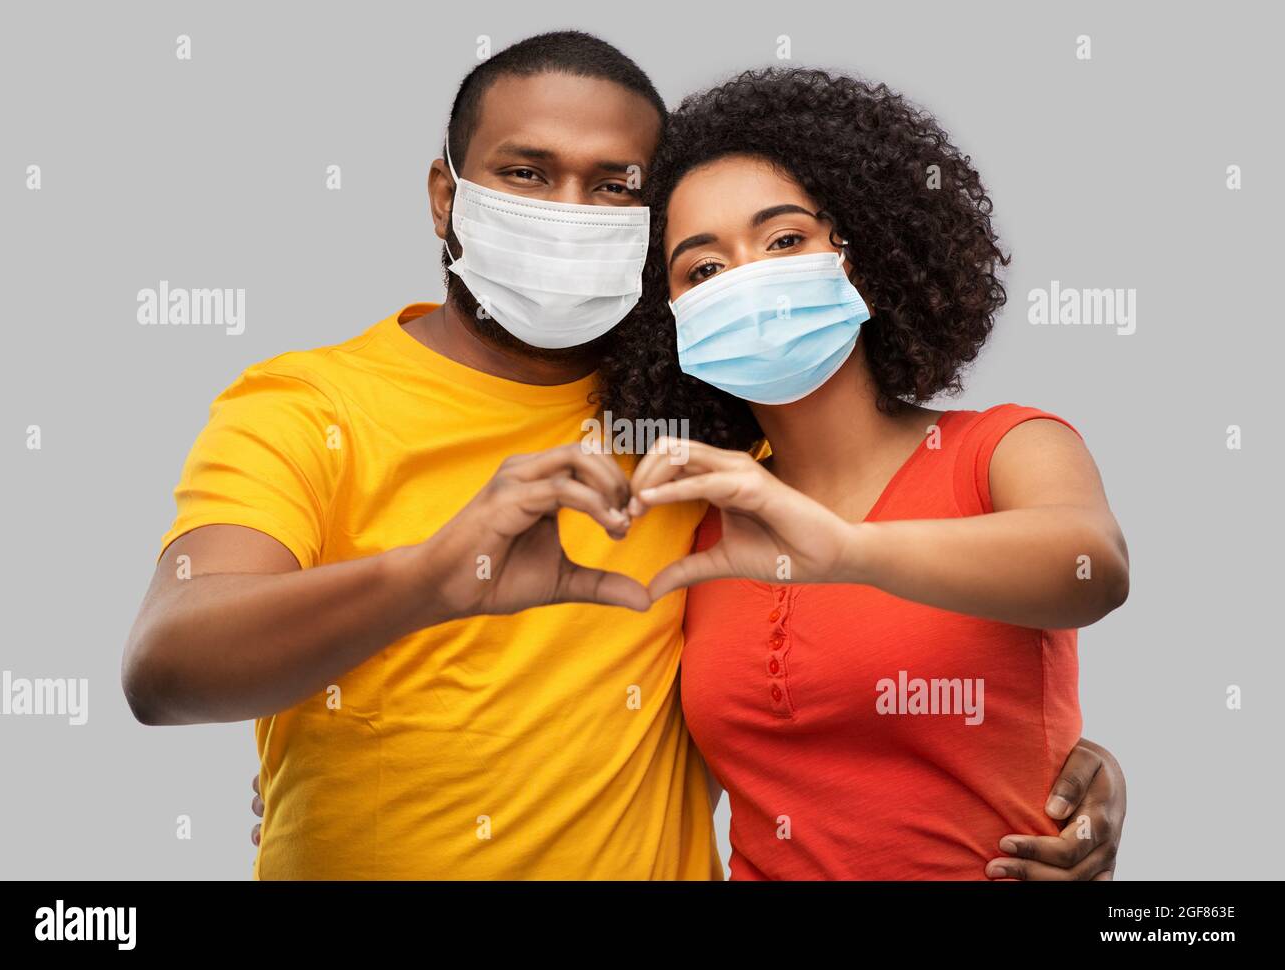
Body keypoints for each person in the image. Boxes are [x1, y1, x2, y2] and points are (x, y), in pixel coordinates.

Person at [125, 31, 1125, 880]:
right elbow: (167, 669)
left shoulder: (699, 440)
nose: (566, 211)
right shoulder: (306, 406)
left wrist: (1046, 758)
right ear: (445, 195)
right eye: (525, 172)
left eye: (613, 187)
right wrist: (425, 590)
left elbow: (998, 575)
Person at [600, 67, 1129, 879]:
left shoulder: (1006, 449)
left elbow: (1094, 570)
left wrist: (847, 551)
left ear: (863, 259)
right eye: (703, 270)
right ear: (665, 319)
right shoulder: (699, 527)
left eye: (784, 241)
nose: (747, 279)